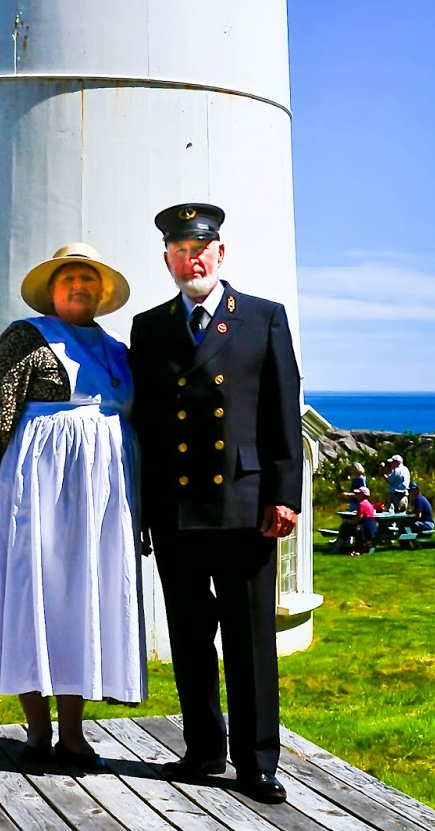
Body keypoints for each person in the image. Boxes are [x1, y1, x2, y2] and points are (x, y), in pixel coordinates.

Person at [0, 243, 145, 772]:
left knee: (81, 604)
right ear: (52, 290)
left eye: (88, 278)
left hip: (99, 500)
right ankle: (38, 730)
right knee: (32, 598)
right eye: (68, 278)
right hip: (37, 492)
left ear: (101, 292)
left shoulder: (117, 351)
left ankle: (74, 733)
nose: (79, 285)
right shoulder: (27, 338)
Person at [129, 203, 302, 805]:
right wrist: (145, 511)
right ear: (168, 258)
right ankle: (204, 749)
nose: (190, 259)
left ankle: (258, 763)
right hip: (176, 508)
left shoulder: (262, 318)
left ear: (220, 252)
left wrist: (284, 496)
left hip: (245, 505)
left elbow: (283, 415)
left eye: (200, 249)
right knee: (190, 634)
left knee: (250, 639)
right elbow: (148, 424)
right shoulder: (148, 328)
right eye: (179, 252)